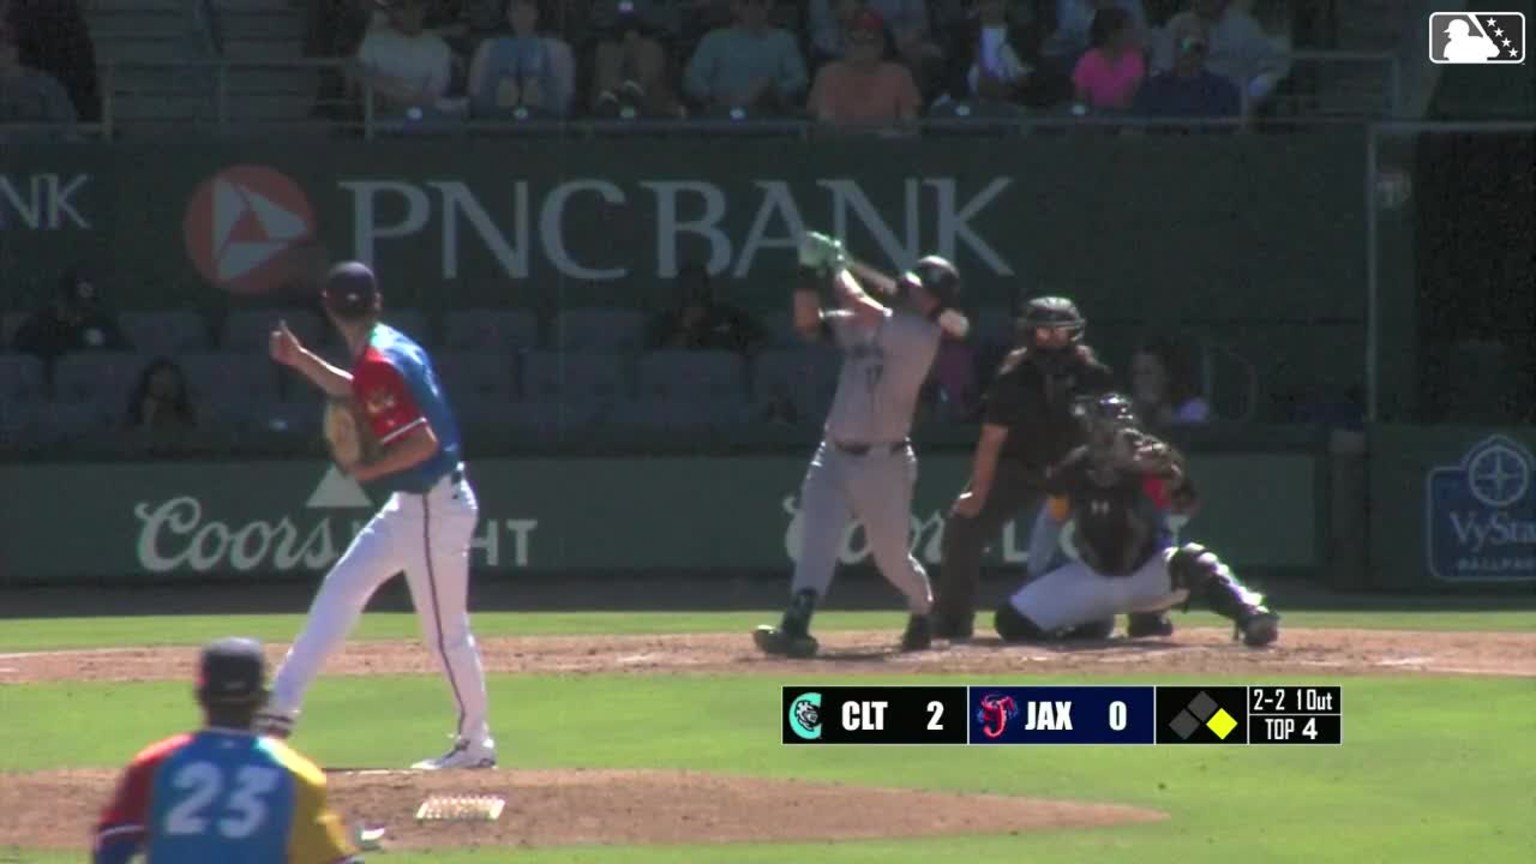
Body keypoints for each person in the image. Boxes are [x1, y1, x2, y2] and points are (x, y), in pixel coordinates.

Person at [260, 261, 497, 771]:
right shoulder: (390, 345)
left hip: (434, 507)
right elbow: (361, 391)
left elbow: (421, 443)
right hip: (415, 505)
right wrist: (302, 361)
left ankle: (475, 744)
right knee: (343, 588)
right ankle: (279, 709)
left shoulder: (379, 360)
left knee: (444, 633)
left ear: (328, 307)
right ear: (377, 301)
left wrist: (368, 471)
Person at [753, 232, 970, 657]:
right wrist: (807, 272)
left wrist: (837, 267)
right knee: (818, 539)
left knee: (891, 558)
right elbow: (807, 323)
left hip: (883, 461)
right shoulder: (875, 321)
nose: (909, 291)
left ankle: (922, 608)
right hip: (832, 452)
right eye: (909, 285)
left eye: (920, 290)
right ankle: (795, 625)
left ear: (934, 303)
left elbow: (861, 306)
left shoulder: (919, 336)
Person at [993, 393, 1280, 647]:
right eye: (1101, 430)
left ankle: (1251, 614)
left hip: (1149, 574)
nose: (1106, 438)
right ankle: (1091, 623)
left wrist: (1167, 474)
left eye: (1111, 430)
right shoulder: (1075, 466)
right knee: (1012, 620)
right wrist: (1036, 573)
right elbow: (1052, 519)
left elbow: (1184, 505)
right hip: (1094, 576)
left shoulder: (1151, 463)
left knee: (1196, 560)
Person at [931, 296, 1115, 642]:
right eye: (1043, 333)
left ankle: (1140, 617)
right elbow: (991, 440)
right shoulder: (1012, 379)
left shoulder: (1094, 376)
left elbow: (1109, 435)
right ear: (1029, 335)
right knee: (962, 527)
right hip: (1021, 467)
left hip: (1079, 469)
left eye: (1060, 332)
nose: (1051, 340)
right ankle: (952, 621)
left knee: (1119, 524)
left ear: (1074, 334)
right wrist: (978, 492)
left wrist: (1106, 484)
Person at [93, 637, 361, 864]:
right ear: (263, 698)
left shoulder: (155, 763)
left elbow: (111, 849)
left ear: (200, 695)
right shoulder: (294, 773)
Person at [9, 269, 129, 362]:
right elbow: (16, 356)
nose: (77, 310)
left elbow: (125, 355)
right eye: (70, 301)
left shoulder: (102, 325)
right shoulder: (39, 325)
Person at [647, 261, 766, 352]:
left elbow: (761, 340)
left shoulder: (729, 315)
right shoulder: (664, 321)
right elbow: (664, 360)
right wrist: (686, 327)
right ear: (679, 289)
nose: (695, 290)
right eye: (688, 285)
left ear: (708, 288)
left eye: (699, 284)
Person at [1130, 339, 1211, 427]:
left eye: (1147, 373)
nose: (1140, 380)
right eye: (1137, 373)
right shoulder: (1129, 410)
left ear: (1167, 375)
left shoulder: (1195, 408)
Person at [125, 357, 197, 434]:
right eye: (160, 379)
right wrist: (147, 421)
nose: (165, 385)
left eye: (169, 380)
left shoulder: (185, 415)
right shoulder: (136, 415)